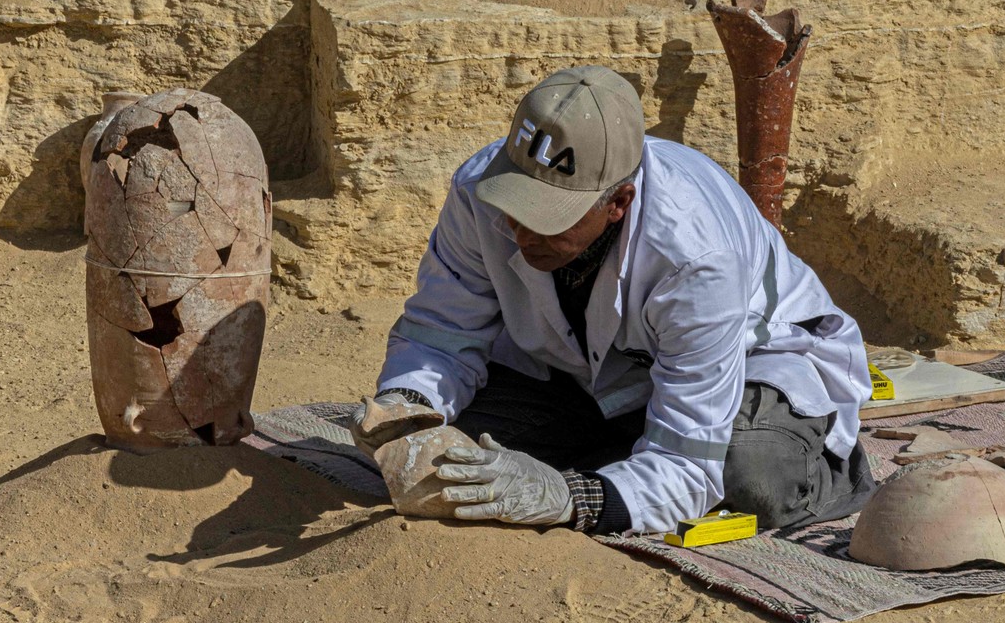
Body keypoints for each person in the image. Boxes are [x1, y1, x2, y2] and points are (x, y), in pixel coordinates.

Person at [350, 64, 874, 534]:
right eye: (514, 204)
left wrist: (573, 498)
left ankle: (830, 472)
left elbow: (690, 458)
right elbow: (443, 332)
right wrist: (408, 403)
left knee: (751, 476)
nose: (519, 231)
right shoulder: (478, 192)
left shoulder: (694, 256)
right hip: (586, 374)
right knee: (452, 457)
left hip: (748, 365)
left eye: (547, 217)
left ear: (619, 202)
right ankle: (625, 456)